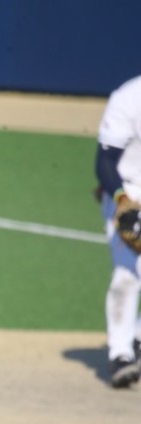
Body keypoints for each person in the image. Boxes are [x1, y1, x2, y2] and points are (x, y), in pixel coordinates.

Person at [95, 74, 141, 388]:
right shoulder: (129, 97)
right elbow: (105, 161)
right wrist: (122, 201)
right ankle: (120, 354)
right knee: (128, 272)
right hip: (128, 194)